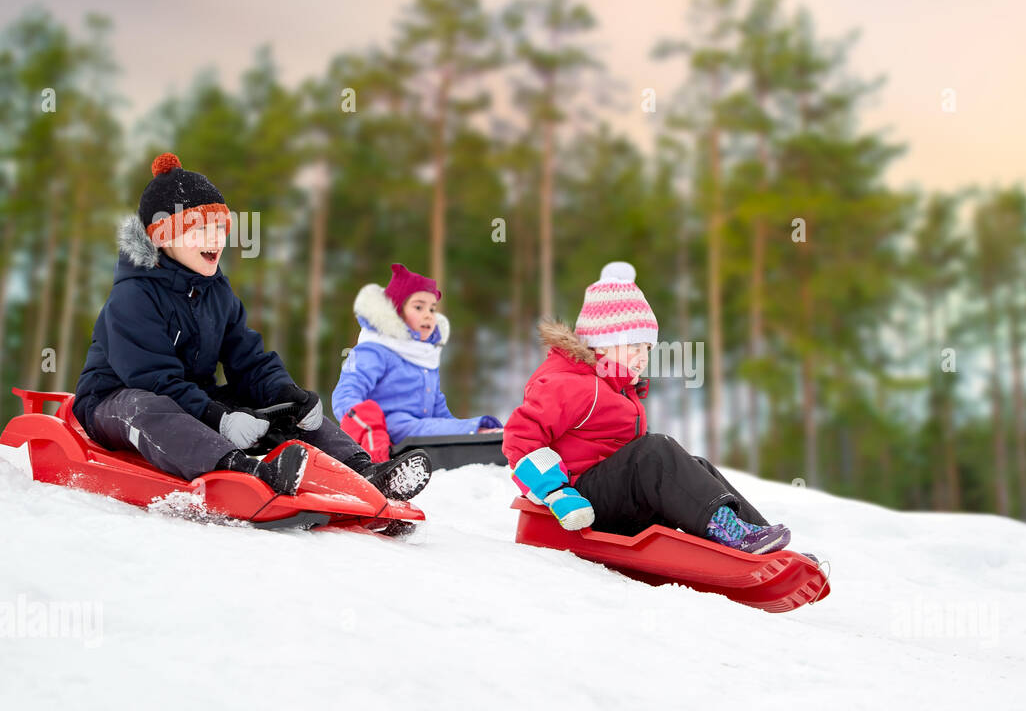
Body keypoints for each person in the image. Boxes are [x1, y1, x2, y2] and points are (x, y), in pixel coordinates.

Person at [72, 153, 433, 501]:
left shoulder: (216, 290)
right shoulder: (133, 296)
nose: (215, 239)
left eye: (219, 227)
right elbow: (152, 379)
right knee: (148, 406)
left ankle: (366, 472)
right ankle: (245, 474)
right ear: (163, 237)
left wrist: (285, 394)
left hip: (192, 400)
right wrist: (219, 418)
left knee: (282, 406)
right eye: (199, 229)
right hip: (114, 400)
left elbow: (247, 359)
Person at [503, 261, 791, 553]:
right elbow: (520, 439)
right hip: (577, 505)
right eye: (634, 346)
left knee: (696, 465)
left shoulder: (617, 390)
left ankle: (759, 537)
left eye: (647, 349)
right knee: (655, 452)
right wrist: (555, 492)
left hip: (614, 502)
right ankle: (730, 533)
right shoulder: (569, 383)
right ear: (601, 344)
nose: (643, 357)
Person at [331, 263, 503, 453]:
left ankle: (482, 439)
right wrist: (365, 425)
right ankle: (480, 436)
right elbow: (345, 395)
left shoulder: (424, 357)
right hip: (388, 430)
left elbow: (439, 411)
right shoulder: (373, 351)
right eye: (419, 307)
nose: (428, 316)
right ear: (397, 311)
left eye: (432, 309)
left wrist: (460, 430)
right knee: (421, 427)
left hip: (421, 429)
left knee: (436, 426)